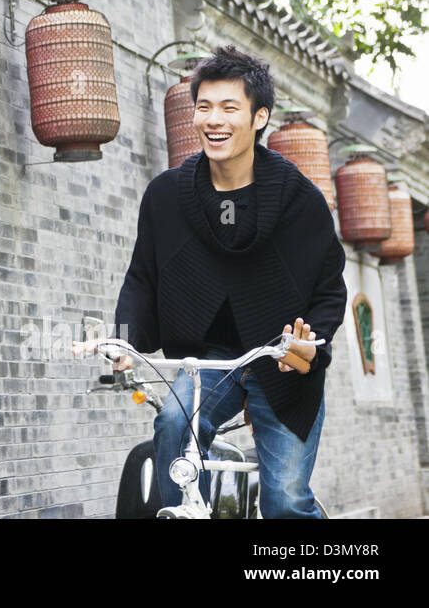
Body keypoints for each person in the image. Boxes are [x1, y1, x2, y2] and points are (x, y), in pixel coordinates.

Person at [112, 44, 348, 517]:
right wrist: (121, 342)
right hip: (211, 361)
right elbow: (142, 279)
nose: (212, 120)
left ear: (260, 117)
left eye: (229, 108)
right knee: (173, 425)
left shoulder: (299, 199)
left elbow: (329, 288)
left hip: (280, 361)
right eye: (203, 107)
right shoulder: (166, 197)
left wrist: (311, 349)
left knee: (285, 502)